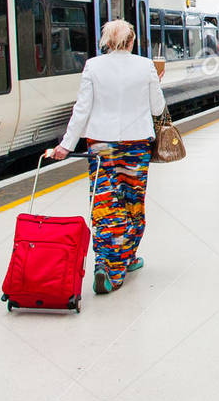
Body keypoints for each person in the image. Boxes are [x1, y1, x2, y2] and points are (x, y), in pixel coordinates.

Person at [48, 19, 164, 295]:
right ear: (132, 41)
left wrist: (66, 145)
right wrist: (156, 82)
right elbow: (158, 109)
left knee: (105, 205)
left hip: (101, 145)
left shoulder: (93, 66)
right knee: (131, 202)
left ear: (108, 43)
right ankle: (122, 263)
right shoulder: (146, 65)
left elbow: (82, 110)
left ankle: (104, 263)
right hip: (136, 146)